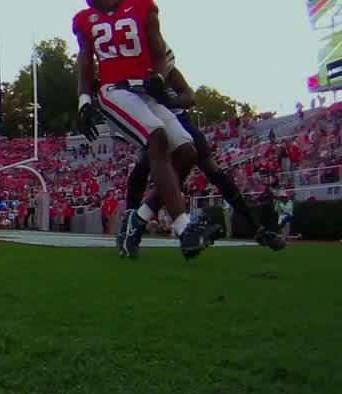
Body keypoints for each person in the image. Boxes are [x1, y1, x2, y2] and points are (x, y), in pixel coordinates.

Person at [73, 0, 214, 259]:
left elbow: (159, 49)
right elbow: (85, 63)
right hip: (113, 90)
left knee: (187, 152)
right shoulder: (84, 20)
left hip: (146, 91)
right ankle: (183, 227)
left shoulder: (142, 5)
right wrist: (84, 101)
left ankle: (137, 220)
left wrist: (160, 80)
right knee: (158, 137)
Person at [118, 48, 285, 251]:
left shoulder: (167, 69)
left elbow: (189, 96)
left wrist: (170, 100)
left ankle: (257, 228)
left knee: (212, 171)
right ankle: (131, 222)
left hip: (178, 119)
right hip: (155, 121)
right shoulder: (133, 64)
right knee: (144, 165)